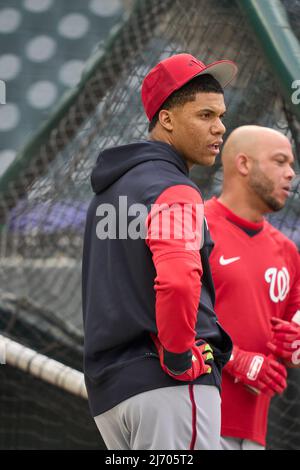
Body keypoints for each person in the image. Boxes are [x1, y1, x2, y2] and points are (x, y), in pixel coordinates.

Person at [82, 53, 237, 450]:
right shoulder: (172, 187)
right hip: (168, 384)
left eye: (220, 115)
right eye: (205, 115)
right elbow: (178, 279)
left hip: (111, 395)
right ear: (166, 119)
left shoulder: (110, 191)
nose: (220, 127)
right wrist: (180, 356)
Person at [204, 125, 300, 450]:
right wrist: (235, 359)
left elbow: (292, 331)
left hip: (255, 432)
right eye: (280, 162)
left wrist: (296, 348)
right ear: (243, 164)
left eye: (292, 165)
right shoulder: (194, 226)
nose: (291, 174)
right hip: (192, 418)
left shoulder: (288, 251)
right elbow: (162, 316)